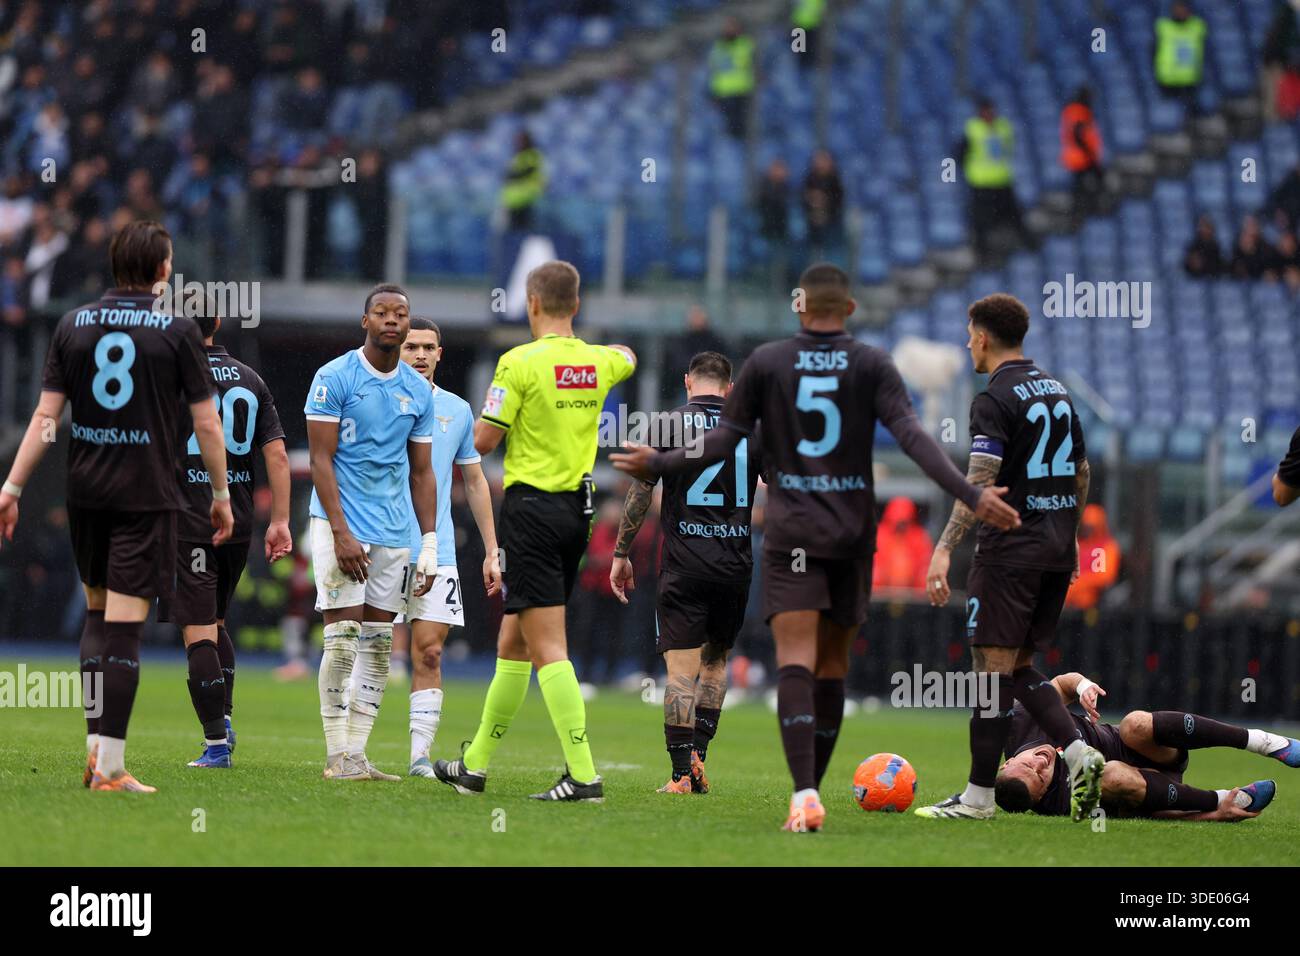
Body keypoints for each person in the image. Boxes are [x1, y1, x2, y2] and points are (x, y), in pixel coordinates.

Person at [612, 263, 1021, 832]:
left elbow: (721, 439)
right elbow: (915, 440)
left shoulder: (770, 363)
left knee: (793, 661)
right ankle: (777, 777)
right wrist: (968, 494)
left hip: (788, 537)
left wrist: (657, 462)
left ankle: (798, 793)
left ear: (800, 308)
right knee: (827, 668)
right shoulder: (873, 363)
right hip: (847, 535)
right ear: (850, 310)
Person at [0, 219, 233, 793]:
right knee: (125, 629)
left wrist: (11, 487)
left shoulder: (73, 323)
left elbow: (46, 417)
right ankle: (110, 768)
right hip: (145, 496)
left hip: (85, 493)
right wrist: (223, 494)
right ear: (161, 269)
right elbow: (206, 421)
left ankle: (94, 751)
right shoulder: (177, 330)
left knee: (96, 616)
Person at [432, 260, 637, 802]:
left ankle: (584, 774)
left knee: (548, 647)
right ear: (576, 304)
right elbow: (628, 357)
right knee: (514, 643)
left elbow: (482, 441)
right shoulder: (597, 361)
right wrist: (607, 358)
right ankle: (474, 765)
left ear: (532, 304)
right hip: (578, 515)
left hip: (531, 512)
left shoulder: (518, 362)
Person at [917, 293, 1105, 822]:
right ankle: (1078, 750)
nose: (966, 343)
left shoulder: (994, 397)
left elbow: (979, 480)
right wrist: (1068, 532)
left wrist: (945, 547)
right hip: (1052, 548)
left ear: (981, 336)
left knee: (989, 675)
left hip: (1010, 551)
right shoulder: (1060, 392)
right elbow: (1083, 470)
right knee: (1019, 666)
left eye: (967, 334)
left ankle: (978, 800)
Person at [304, 283, 439, 782]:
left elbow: (422, 473)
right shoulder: (334, 377)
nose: (391, 320)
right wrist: (341, 532)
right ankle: (336, 756)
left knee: (380, 646)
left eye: (399, 314)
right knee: (342, 639)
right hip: (341, 523)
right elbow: (320, 460)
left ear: (407, 324)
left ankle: (358, 756)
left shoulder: (417, 390)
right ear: (366, 321)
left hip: (394, 530)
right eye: (381, 313)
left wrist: (428, 543)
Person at [610, 351, 762, 794]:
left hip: (684, 563)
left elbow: (641, 493)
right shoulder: (750, 428)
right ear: (730, 388)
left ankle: (679, 775)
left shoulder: (666, 424)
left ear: (687, 382)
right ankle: (699, 755)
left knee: (680, 671)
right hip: (734, 565)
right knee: (715, 663)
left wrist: (621, 552)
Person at [168, 303, 293, 769]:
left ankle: (216, 743)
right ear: (218, 325)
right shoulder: (251, 379)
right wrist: (279, 520)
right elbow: (277, 456)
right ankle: (226, 718)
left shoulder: (171, 377)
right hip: (238, 523)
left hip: (189, 522)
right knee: (217, 623)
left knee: (197, 629)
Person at [394, 317, 502, 779]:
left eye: (428, 348)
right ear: (397, 351)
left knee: (431, 651)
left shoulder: (457, 410)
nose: (420, 355)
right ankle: (349, 750)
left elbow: (474, 480)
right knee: (373, 649)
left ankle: (419, 756)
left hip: (434, 550)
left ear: (440, 354)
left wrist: (491, 549)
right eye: (410, 347)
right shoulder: (376, 400)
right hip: (379, 545)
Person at [995, 671, 1296, 820]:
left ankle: (1267, 742)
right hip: (1147, 787)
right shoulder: (1062, 803)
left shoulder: (1021, 720)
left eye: (1027, 766)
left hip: (1150, 749)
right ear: (1041, 797)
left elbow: (1061, 684)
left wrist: (1083, 686)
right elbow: (1139, 811)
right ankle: (1219, 799)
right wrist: (1215, 813)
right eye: (1040, 778)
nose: (1041, 764)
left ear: (1007, 762)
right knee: (1109, 774)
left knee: (1134, 723)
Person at [957, 99, 1037, 261]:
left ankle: (1029, 246)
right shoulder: (972, 129)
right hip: (981, 182)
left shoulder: (1003, 126)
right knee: (980, 220)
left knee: (1014, 215)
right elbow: (959, 154)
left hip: (1002, 180)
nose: (989, 114)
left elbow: (1009, 147)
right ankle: (982, 253)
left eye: (991, 110)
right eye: (986, 111)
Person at [1059, 87, 1104, 228]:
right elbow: (1078, 134)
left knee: (1079, 187)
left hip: (1073, 156)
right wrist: (1089, 153)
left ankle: (1079, 214)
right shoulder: (1080, 110)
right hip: (1082, 156)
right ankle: (1089, 211)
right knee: (1092, 183)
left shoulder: (1070, 110)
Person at [871, 497, 932, 594]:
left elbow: (924, 567)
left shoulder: (918, 537)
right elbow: (874, 566)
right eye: (897, 521)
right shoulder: (880, 536)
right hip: (881, 593)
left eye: (904, 522)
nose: (900, 525)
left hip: (912, 595)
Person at [1154, 2, 1207, 113]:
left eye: (1183, 9)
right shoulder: (1163, 27)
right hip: (1168, 81)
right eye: (1178, 9)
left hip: (1191, 80)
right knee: (1171, 114)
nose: (1181, 12)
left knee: (1192, 113)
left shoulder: (1198, 26)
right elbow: (1152, 51)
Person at [1064, 503, 1120, 610]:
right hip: (1067, 605)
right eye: (1086, 525)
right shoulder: (1078, 543)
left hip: (1091, 606)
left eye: (1092, 526)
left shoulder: (1106, 546)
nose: (1088, 529)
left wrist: (1077, 584)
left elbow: (1104, 577)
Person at [708, 17, 755, 139]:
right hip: (723, 91)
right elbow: (714, 68)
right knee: (727, 126)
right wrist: (714, 91)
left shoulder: (745, 43)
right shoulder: (718, 46)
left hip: (741, 90)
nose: (729, 29)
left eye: (732, 26)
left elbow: (751, 63)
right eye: (727, 26)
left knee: (740, 125)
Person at [802, 149, 845, 263]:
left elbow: (839, 202)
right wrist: (812, 200)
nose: (821, 164)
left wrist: (825, 200)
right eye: (819, 160)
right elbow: (802, 199)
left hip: (831, 223)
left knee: (832, 251)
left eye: (824, 160)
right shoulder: (810, 179)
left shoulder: (835, 180)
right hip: (812, 223)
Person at [500, 130, 545, 232]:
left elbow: (525, 172)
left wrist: (512, 175)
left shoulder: (533, 155)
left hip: (528, 201)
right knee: (514, 233)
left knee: (527, 232)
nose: (518, 143)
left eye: (521, 140)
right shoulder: (517, 157)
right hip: (513, 202)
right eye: (517, 141)